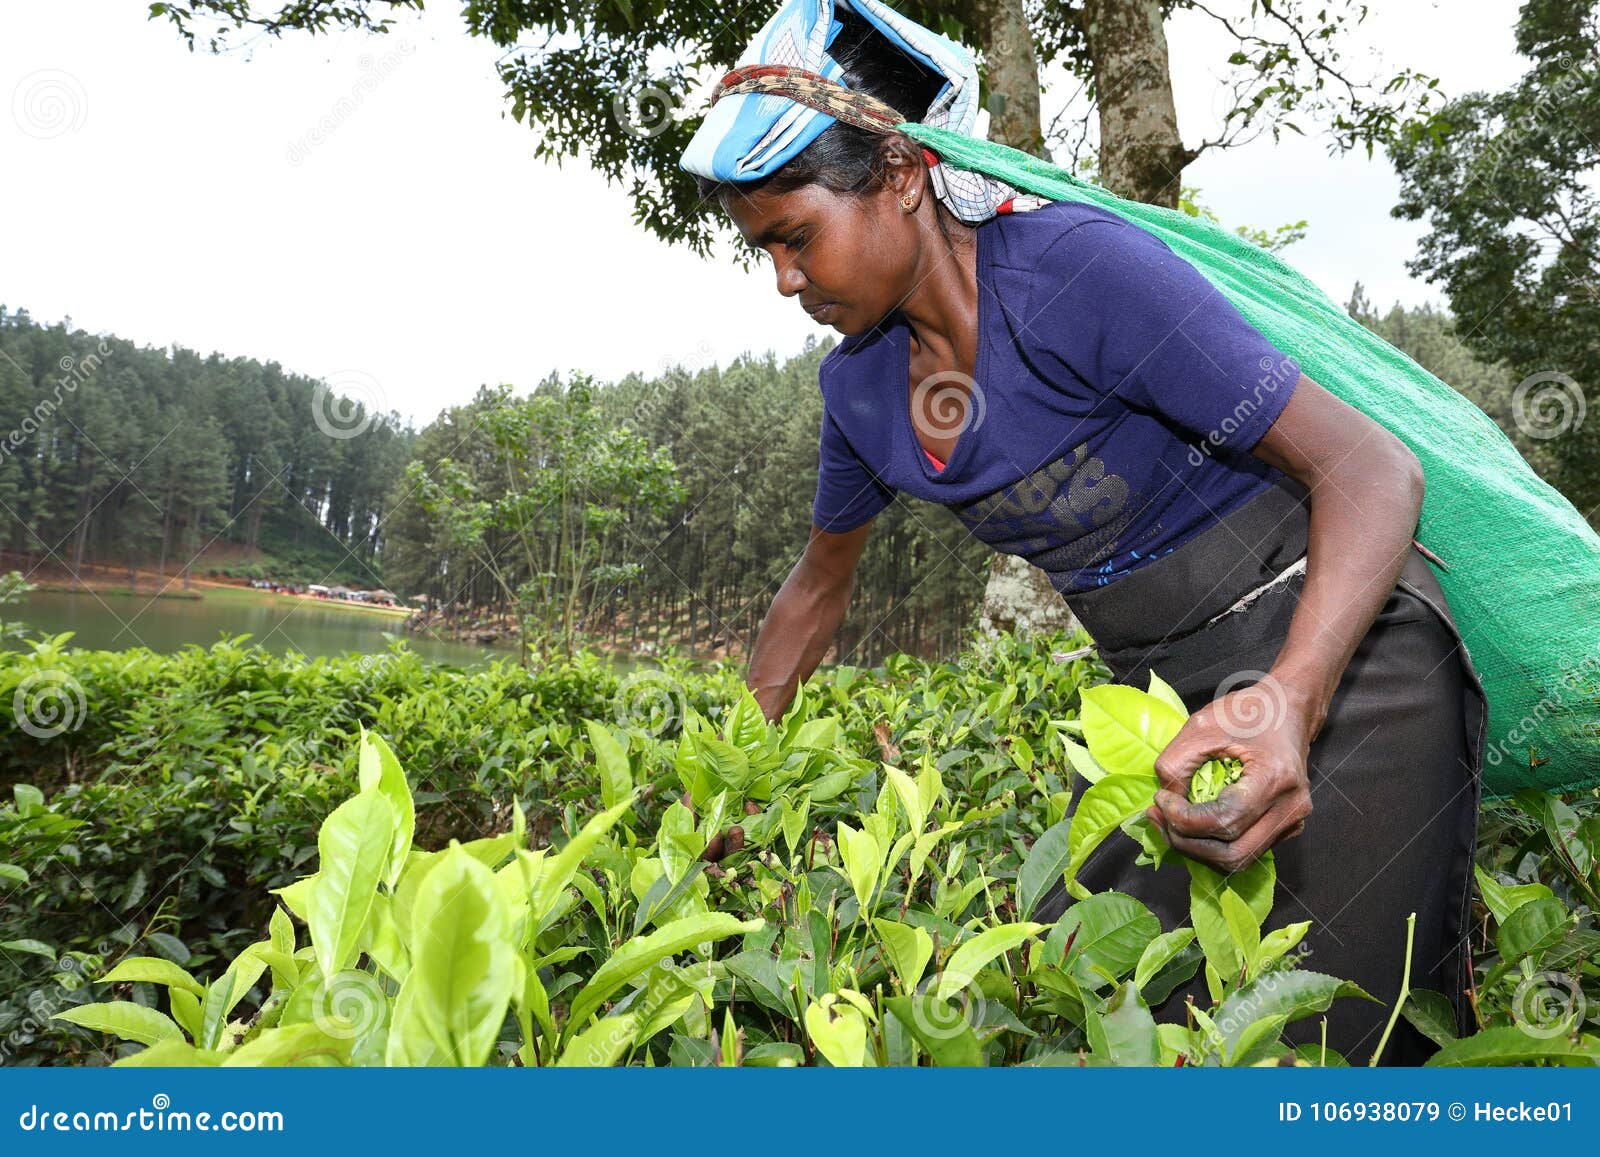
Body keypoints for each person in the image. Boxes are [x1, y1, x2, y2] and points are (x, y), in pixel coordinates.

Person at [678, 0, 1484, 1065]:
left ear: (904, 173)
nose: (785, 280)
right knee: (1105, 1000)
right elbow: (815, 591)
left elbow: (1373, 468)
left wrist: (1290, 699)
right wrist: (736, 785)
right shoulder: (861, 389)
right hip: (1153, 702)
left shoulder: (1077, 273)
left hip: (1342, 657)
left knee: (1330, 1039)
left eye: (796, 237)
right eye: (761, 252)